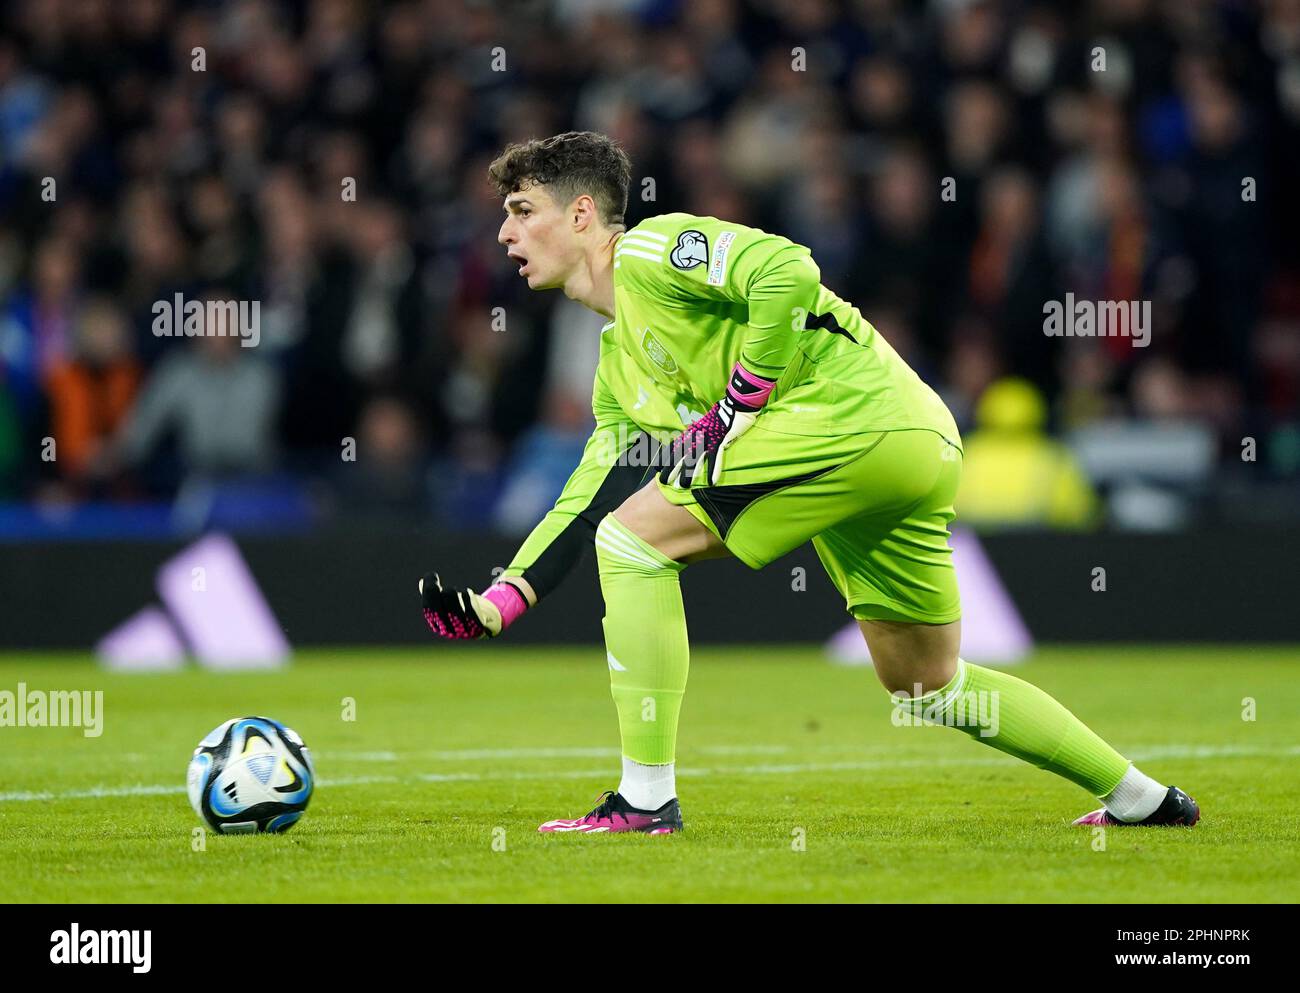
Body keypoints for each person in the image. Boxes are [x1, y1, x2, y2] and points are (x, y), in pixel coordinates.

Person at [420, 131, 1198, 835]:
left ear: (583, 214)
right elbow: (587, 494)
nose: (505, 233)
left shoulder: (652, 250)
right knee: (926, 683)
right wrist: (501, 599)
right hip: (909, 446)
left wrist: (738, 401)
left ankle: (646, 798)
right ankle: (1140, 796)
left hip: (852, 418)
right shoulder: (618, 367)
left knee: (634, 544)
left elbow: (787, 269)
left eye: (522, 211)